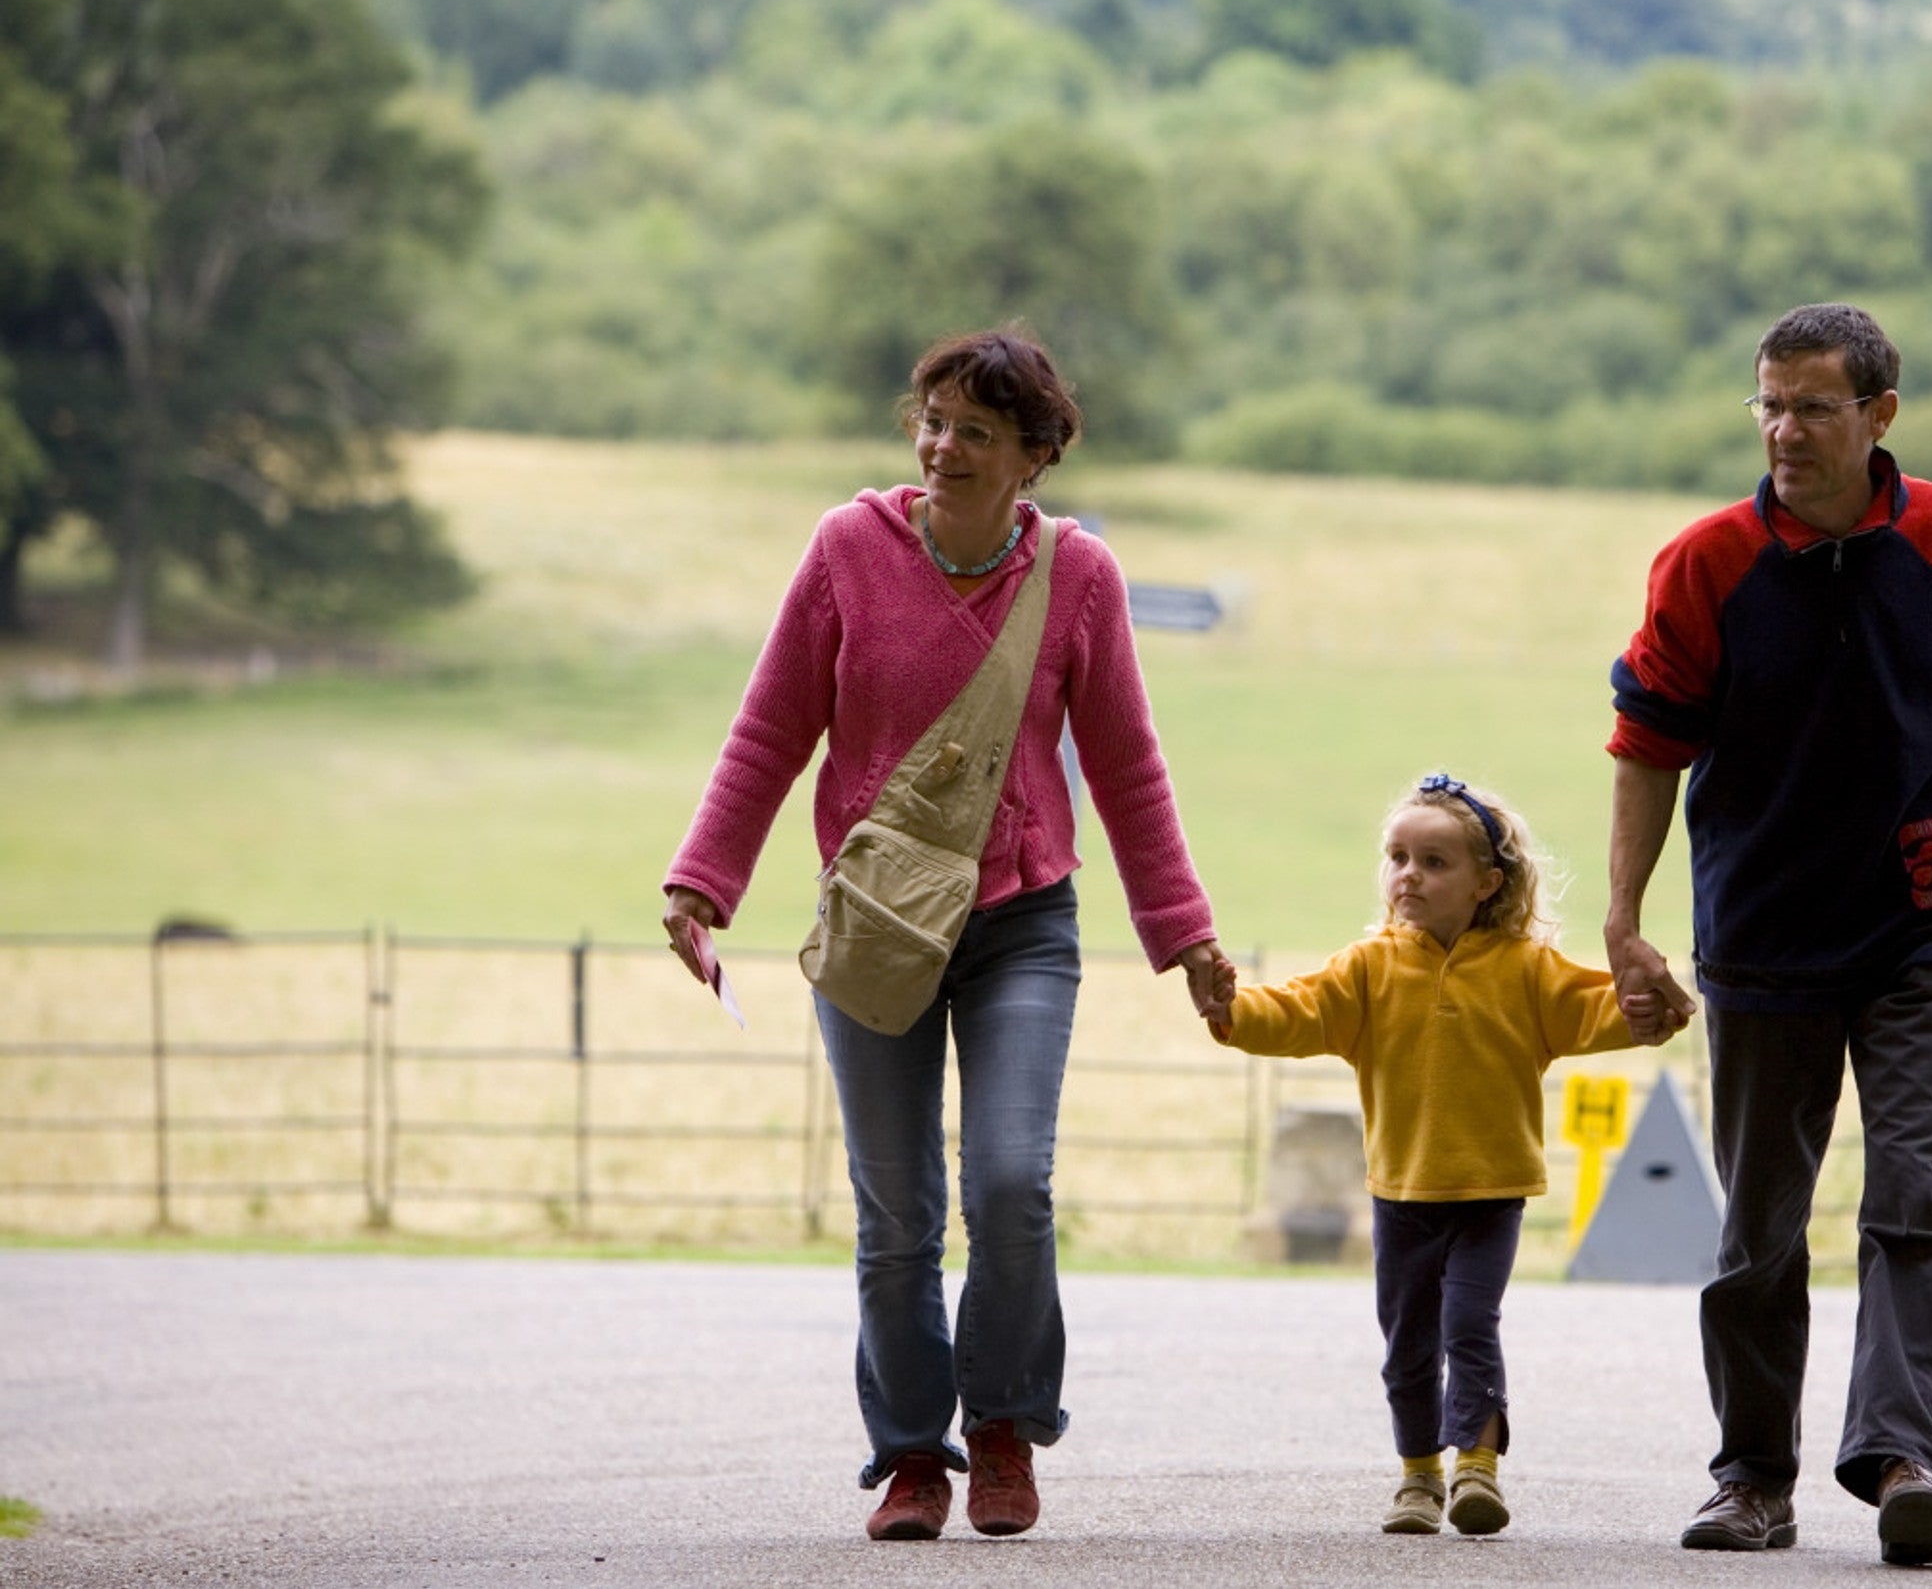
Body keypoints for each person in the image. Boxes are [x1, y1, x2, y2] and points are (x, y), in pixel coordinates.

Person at [659, 326, 1232, 1544]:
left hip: (1024, 918)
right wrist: (704, 881)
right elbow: (770, 731)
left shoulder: (1080, 578)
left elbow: (1128, 767)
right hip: (876, 923)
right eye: (931, 420)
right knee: (898, 1209)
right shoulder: (846, 551)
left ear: (1035, 456)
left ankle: (1006, 1426)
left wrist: (1182, 934)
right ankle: (913, 1455)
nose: (943, 446)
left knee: (1013, 1183)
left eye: (976, 430)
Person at [1602, 302, 1932, 1568]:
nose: (1784, 430)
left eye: (1813, 406)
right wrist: (1623, 923)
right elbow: (1647, 748)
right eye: (1768, 405)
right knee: (1759, 1226)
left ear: (1880, 414)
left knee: (1912, 1193)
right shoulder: (1704, 564)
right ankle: (1752, 1480)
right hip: (1763, 933)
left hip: (1929, 924)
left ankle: (1902, 1462)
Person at [1201, 774, 1671, 1539]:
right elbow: (1295, 1012)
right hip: (1402, 1195)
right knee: (1408, 1344)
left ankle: (1475, 1471)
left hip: (1493, 1191)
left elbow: (1597, 1009)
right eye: (1397, 857)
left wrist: (1647, 1008)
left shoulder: (1526, 968)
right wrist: (1233, 1009)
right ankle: (1417, 1478)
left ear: (1488, 884)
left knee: (1469, 1324)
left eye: (1434, 861)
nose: (1408, 875)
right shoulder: (1368, 968)